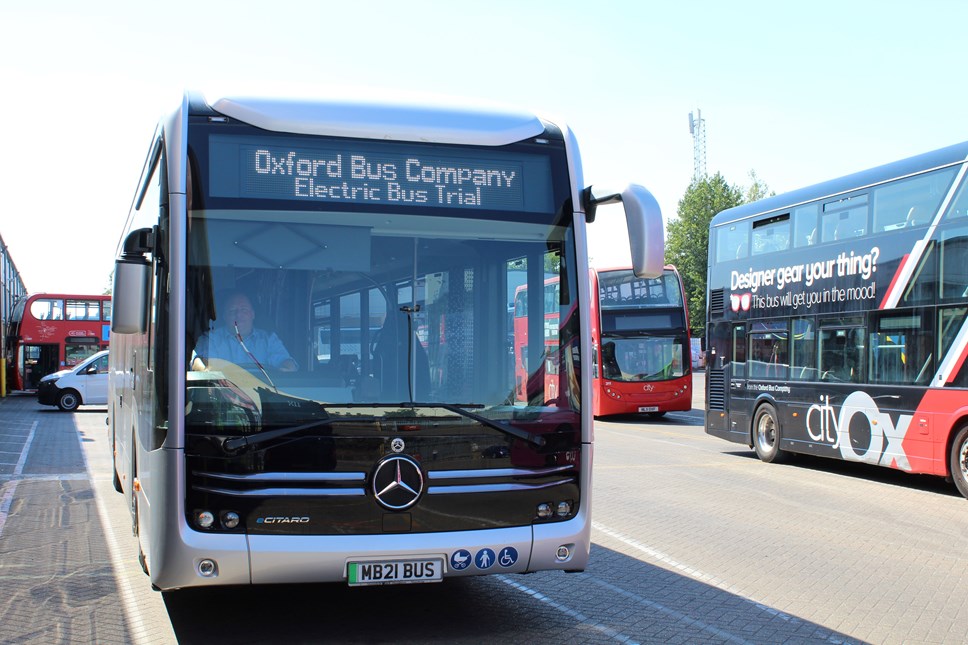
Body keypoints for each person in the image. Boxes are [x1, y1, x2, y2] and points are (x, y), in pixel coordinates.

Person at [193, 291, 297, 372]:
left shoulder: (269, 340)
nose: (238, 315)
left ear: (253, 314)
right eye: (232, 311)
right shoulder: (211, 339)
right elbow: (202, 365)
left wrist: (288, 367)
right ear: (224, 316)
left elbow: (286, 363)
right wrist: (202, 367)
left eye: (244, 310)